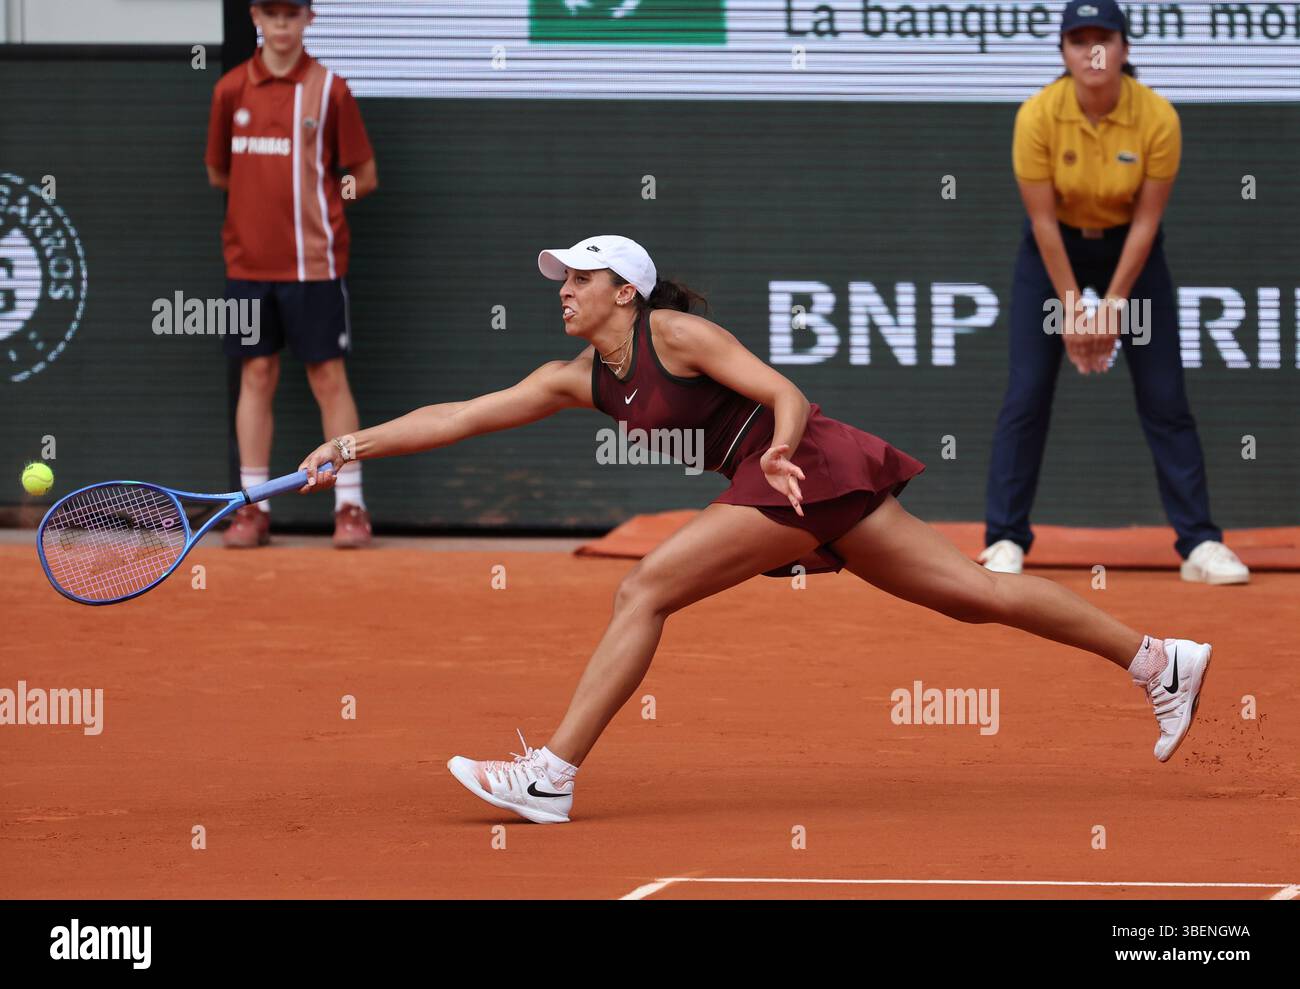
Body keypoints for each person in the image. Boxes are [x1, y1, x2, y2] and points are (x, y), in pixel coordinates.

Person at [297, 235, 1212, 825]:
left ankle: (552, 773)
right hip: (808, 477)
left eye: (581, 278)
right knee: (975, 595)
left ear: (628, 291)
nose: (565, 291)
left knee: (644, 586)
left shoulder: (678, 335)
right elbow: (463, 414)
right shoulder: (581, 376)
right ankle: (1159, 660)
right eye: (563, 279)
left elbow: (786, 392)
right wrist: (352, 443)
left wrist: (775, 454)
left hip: (798, 465)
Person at [981, 0, 1248, 585]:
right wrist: (1075, 307)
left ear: (1126, 49)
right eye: (1079, 40)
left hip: (1132, 250)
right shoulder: (1037, 116)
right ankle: (1003, 538)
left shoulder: (1157, 117)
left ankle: (1200, 544)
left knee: (1165, 396)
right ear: (1063, 52)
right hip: (1055, 254)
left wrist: (1114, 306)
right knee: (1027, 394)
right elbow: (1044, 224)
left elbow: (1148, 222)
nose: (1093, 52)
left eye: (1105, 39)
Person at [206, 0, 377, 548]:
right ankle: (250, 508)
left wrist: (331, 197)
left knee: (328, 378)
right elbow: (217, 172)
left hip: (315, 265)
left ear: (309, 18)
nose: (282, 24)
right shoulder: (231, 89)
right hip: (249, 265)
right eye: (272, 13)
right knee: (255, 375)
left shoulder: (332, 90)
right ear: (256, 16)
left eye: (292, 13)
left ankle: (349, 505)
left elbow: (364, 175)